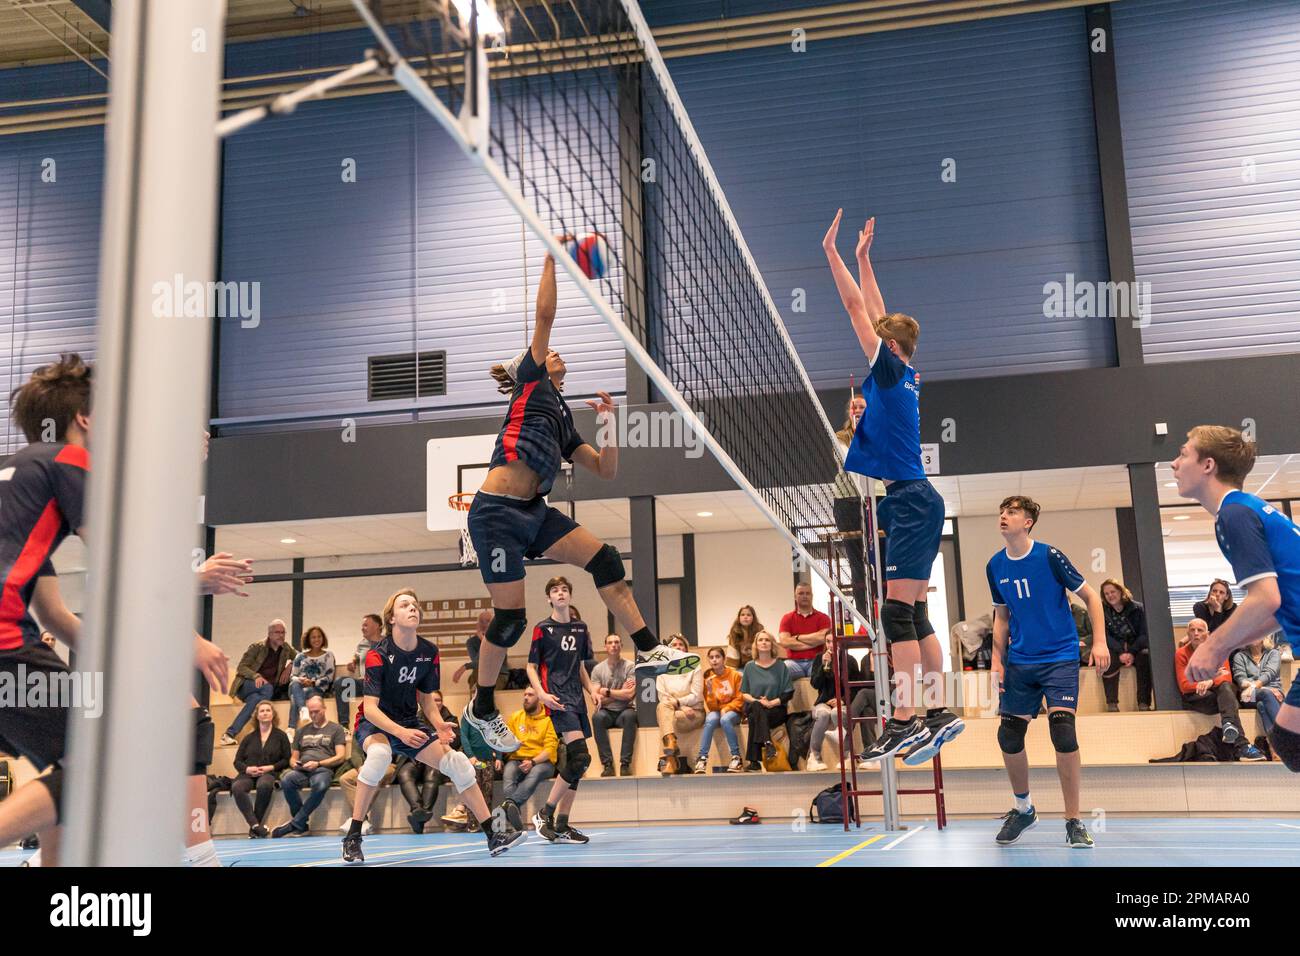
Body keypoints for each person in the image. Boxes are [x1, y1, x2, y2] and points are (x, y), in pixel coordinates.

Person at [462, 254, 698, 755]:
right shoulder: (530, 382)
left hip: (534, 513)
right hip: (496, 514)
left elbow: (606, 469)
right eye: (551, 354)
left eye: (556, 354)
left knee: (606, 559)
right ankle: (481, 707)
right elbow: (544, 317)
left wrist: (610, 422)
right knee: (509, 623)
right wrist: (551, 255)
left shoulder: (565, 419)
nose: (557, 355)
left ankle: (648, 646)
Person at [823, 210, 964, 762]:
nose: (870, 341)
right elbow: (878, 312)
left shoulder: (887, 369)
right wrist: (864, 258)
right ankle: (937, 711)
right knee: (916, 613)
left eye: (879, 340)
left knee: (894, 615)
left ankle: (905, 718)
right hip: (919, 499)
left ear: (890, 348)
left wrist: (833, 254)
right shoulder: (903, 373)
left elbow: (860, 309)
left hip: (908, 500)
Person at [343, 588, 524, 863]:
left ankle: (493, 836)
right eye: (405, 605)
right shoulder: (376, 654)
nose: (412, 608)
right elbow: (369, 708)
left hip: (407, 722)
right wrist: (401, 732)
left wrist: (439, 725)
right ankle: (353, 837)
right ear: (391, 617)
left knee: (459, 763)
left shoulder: (429, 651)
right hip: (376, 722)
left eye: (415, 605)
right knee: (379, 756)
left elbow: (427, 700)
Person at [986, 495, 1108, 848]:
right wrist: (997, 660)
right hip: (1020, 661)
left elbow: (1093, 597)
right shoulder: (995, 565)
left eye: (1012, 512)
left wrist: (1099, 642)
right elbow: (1001, 616)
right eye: (1002, 511)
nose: (1004, 517)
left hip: (1059, 657)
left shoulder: (1049, 556)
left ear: (1028, 522)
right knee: (1008, 736)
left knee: (1062, 732)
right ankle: (1024, 809)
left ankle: (1073, 821)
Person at [1176, 426, 1300, 770]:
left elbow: (1265, 598)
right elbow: (1277, 608)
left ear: (1208, 465)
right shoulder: (1246, 508)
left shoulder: (1233, 515)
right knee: (1291, 745)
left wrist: (1213, 646)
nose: (1174, 463)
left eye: (1183, 453)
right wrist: (1227, 646)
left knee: (1292, 744)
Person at [527, 576, 596, 844]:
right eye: (555, 590)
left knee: (575, 764)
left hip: (577, 698)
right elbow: (531, 666)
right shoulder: (542, 629)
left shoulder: (581, 628)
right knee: (580, 758)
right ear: (549, 598)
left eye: (565, 589)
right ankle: (544, 814)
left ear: (570, 595)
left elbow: (579, 666)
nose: (560, 593)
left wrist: (592, 691)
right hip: (557, 698)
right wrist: (542, 695)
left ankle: (562, 825)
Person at [1177, 618, 1263, 759]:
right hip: (1198, 698)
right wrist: (1204, 682)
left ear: (1208, 634)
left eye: (1200, 630)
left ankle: (1230, 727)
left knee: (1226, 688)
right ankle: (1241, 744)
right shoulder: (1181, 653)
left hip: (1219, 694)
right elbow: (1184, 686)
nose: (1196, 633)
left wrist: (1210, 681)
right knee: (1229, 700)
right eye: (1192, 630)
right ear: (1187, 633)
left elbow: (1226, 678)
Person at [273, 695, 346, 837]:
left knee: (321, 785)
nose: (313, 715)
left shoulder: (336, 729)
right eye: (311, 712)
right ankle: (300, 824)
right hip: (302, 769)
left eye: (316, 711)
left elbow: (340, 756)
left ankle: (296, 824)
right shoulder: (301, 731)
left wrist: (318, 763)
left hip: (322, 768)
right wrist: (295, 764)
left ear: (324, 709)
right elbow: (293, 758)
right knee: (287, 780)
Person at [394, 689, 459, 834]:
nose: (436, 703)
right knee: (404, 773)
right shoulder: (415, 718)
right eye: (433, 700)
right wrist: (416, 755)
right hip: (415, 758)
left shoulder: (451, 719)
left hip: (438, 759)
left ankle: (420, 815)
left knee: (433, 774)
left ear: (442, 702)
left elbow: (455, 742)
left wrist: (433, 752)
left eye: (438, 700)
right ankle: (418, 809)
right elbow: (407, 741)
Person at [220, 620, 294, 746]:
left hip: (263, 691)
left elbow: (299, 658)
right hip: (246, 685)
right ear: (269, 634)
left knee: (256, 699)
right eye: (277, 632)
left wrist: (290, 665)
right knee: (268, 689)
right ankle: (260, 730)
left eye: (283, 632)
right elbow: (241, 667)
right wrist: (256, 676)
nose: (281, 635)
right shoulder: (257, 647)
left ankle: (229, 734)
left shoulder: (286, 648)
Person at [497, 686, 559, 825]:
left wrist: (533, 762)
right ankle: (513, 814)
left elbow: (549, 749)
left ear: (539, 698)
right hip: (517, 759)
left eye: (530, 695)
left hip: (543, 763)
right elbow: (506, 741)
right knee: (508, 773)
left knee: (535, 773)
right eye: (525, 694)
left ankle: (510, 805)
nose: (525, 698)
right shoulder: (516, 717)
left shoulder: (549, 720)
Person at [231, 700, 291, 838]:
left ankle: (255, 828)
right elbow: (237, 762)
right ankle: (255, 826)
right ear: (257, 716)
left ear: (273, 714)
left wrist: (271, 767)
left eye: (268, 710)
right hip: (248, 773)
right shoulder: (248, 738)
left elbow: (286, 759)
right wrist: (247, 769)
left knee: (264, 785)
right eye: (262, 711)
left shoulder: (281, 736)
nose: (265, 713)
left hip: (269, 773)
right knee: (237, 787)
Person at [808, 643, 870, 770]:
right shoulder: (820, 658)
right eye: (828, 641)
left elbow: (855, 688)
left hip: (843, 703)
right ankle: (814, 757)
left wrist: (841, 700)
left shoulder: (850, 660)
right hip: (823, 703)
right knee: (823, 714)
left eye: (834, 641)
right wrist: (824, 665)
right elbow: (815, 684)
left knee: (837, 713)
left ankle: (848, 757)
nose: (831, 645)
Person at [833, 394, 870, 610]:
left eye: (862, 407)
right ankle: (863, 613)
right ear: (849, 412)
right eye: (854, 407)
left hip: (875, 498)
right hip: (847, 500)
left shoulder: (880, 434)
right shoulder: (840, 436)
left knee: (880, 558)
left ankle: (883, 608)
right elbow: (848, 463)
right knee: (856, 562)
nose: (857, 410)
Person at [741, 632, 794, 772]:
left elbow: (789, 693)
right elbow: (744, 693)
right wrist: (758, 701)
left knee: (754, 718)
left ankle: (754, 762)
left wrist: (770, 703)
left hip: (776, 709)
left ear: (772, 645)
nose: (764, 642)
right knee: (756, 708)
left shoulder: (781, 666)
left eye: (767, 640)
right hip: (755, 705)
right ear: (756, 645)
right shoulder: (749, 667)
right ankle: (767, 742)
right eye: (761, 640)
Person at [1099, 579, 1153, 712]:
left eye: (1113, 592)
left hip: (1136, 646)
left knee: (1145, 656)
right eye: (1106, 594)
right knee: (1107, 659)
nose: (1110, 596)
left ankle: (1143, 702)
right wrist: (1120, 652)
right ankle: (1112, 704)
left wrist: (1132, 652)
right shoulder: (1102, 611)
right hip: (1115, 648)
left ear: (1121, 591)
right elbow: (1105, 636)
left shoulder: (1138, 608)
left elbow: (1144, 634)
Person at [656, 634, 705, 775]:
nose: (678, 647)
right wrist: (681, 706)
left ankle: (667, 759)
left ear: (686, 648)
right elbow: (663, 696)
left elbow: (696, 695)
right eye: (674, 645)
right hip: (677, 711)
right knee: (663, 708)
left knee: (665, 716)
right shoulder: (662, 669)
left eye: (680, 644)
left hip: (694, 713)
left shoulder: (694, 665)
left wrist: (678, 702)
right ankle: (671, 753)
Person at [590, 632, 637, 776]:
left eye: (617, 642)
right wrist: (619, 693)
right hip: (607, 713)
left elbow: (630, 695)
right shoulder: (598, 670)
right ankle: (607, 765)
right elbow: (596, 700)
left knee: (631, 716)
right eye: (610, 643)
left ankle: (625, 764)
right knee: (597, 717)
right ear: (605, 646)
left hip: (625, 710)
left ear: (621, 646)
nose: (614, 645)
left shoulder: (630, 666)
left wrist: (608, 692)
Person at [695, 647, 744, 773]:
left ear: (724, 659)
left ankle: (736, 757)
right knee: (710, 719)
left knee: (725, 719)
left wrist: (727, 708)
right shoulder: (708, 678)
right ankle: (702, 758)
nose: (714, 660)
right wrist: (710, 692)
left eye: (717, 657)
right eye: (711, 657)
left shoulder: (735, 675)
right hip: (718, 711)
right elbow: (712, 708)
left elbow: (740, 698)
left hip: (735, 711)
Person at [1232, 636, 1283, 744]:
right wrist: (1262, 687)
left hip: (1274, 694)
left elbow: (1270, 673)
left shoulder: (1273, 653)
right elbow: (1240, 679)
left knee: (1262, 705)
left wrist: (1253, 684)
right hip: (1248, 696)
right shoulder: (1239, 656)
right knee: (1266, 693)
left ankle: (1275, 747)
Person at [335, 614, 381, 732]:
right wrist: (353, 661)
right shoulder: (362, 644)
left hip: (380, 684)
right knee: (342, 682)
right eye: (362, 625)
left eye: (366, 625)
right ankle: (344, 725)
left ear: (377, 626)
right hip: (364, 683)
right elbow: (357, 655)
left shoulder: (387, 643)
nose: (362, 628)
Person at [777, 583, 833, 680]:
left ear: (812, 596)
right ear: (795, 596)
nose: (804, 596)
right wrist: (814, 643)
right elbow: (785, 642)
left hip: (816, 661)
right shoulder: (787, 618)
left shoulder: (823, 618)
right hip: (793, 663)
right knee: (783, 669)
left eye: (807, 593)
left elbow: (823, 638)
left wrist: (798, 637)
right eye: (801, 593)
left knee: (824, 671)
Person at [289, 625, 335, 729]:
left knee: (294, 697)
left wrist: (313, 683)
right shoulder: (299, 656)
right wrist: (301, 680)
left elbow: (329, 677)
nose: (316, 639)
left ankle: (291, 728)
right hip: (298, 687)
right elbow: (292, 676)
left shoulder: (328, 655)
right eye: (313, 637)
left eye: (319, 636)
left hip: (317, 689)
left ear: (323, 638)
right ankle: (303, 709)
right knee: (294, 684)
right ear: (308, 640)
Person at [451, 609, 493, 689]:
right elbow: (477, 662)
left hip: (498, 673)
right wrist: (483, 640)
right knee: (475, 677)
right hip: (480, 673)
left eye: (488, 621)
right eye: (481, 621)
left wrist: (465, 667)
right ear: (477, 624)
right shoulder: (471, 642)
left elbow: (492, 661)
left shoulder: (498, 639)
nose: (484, 624)